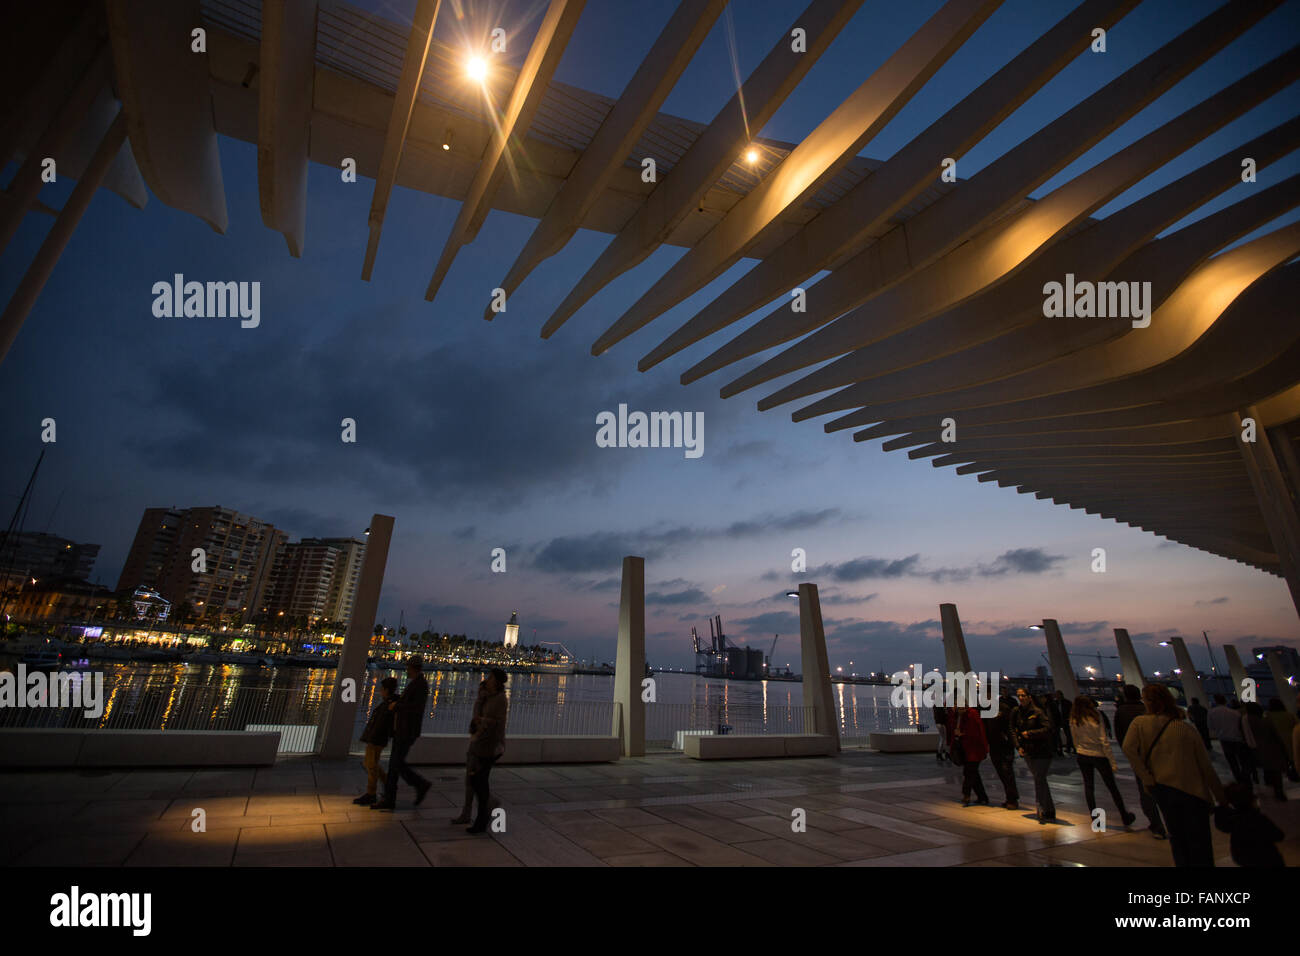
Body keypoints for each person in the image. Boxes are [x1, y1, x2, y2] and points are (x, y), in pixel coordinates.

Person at [1122, 683, 1226, 867]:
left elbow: (1128, 749)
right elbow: (1206, 767)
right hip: (1194, 793)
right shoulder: (1186, 729)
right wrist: (1221, 798)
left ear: (1148, 701)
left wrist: (1146, 777)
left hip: (1163, 789)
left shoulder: (1139, 724)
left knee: (1178, 839)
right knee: (1201, 843)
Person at [372, 656, 431, 811]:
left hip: (407, 730)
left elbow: (416, 707)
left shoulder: (420, 685)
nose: (406, 670)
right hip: (403, 729)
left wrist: (397, 706)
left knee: (396, 764)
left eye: (408, 667)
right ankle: (391, 798)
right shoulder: (416, 684)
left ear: (413, 668)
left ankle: (419, 785)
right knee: (395, 765)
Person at [1070, 696, 1136, 827]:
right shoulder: (1096, 716)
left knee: (1089, 787)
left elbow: (1074, 738)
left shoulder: (1074, 719)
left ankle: (1095, 819)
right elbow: (1103, 740)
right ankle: (1124, 816)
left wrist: (1079, 750)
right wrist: (1112, 761)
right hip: (1099, 755)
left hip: (1083, 755)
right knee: (1112, 787)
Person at [1116, 683, 1166, 838]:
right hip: (1160, 755)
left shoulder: (1121, 712)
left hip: (1138, 757)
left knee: (1145, 790)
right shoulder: (1149, 711)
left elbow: (1120, 737)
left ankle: (1156, 825)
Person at [466, 667, 509, 835]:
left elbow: (497, 723)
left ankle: (482, 819)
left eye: (490, 678)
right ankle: (484, 814)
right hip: (479, 742)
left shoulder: (500, 699)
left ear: (496, 682)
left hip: (491, 746)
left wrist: (483, 721)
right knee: (478, 782)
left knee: (479, 782)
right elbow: (476, 713)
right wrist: (480, 697)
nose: (487, 680)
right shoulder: (486, 697)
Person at [1011, 687, 1056, 823]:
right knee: (1040, 779)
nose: (1021, 697)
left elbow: (1048, 728)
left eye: (1023, 695)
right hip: (1027, 750)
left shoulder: (1038, 712)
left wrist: (1030, 733)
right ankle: (1049, 809)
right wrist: (1018, 746)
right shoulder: (1016, 712)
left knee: (1039, 778)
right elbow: (1012, 729)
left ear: (1029, 697)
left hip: (1042, 750)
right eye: (1019, 695)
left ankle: (1041, 808)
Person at [1213, 782, 1285, 867]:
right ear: (1252, 800)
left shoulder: (1233, 819)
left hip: (1242, 856)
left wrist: (1221, 807)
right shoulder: (1257, 818)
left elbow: (1221, 824)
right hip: (1265, 856)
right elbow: (1278, 835)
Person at [353, 676, 398, 806]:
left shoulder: (389, 704)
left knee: (371, 765)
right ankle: (382, 786)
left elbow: (381, 724)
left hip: (376, 739)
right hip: (377, 738)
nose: (380, 691)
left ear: (386, 689)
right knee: (371, 764)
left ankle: (373, 792)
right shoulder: (389, 703)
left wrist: (371, 737)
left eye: (382, 689)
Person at [451, 679, 489, 825]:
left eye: (481, 690)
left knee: (474, 781)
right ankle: (469, 812)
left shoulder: (487, 704)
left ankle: (485, 806)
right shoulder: (481, 703)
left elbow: (485, 724)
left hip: (480, 747)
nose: (479, 693)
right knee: (473, 781)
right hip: (476, 745)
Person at [1241, 702, 1288, 801]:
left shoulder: (1245, 720)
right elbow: (1276, 736)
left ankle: (1265, 791)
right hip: (1271, 749)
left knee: (1263, 771)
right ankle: (1279, 793)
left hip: (1256, 751)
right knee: (1276, 772)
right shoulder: (1266, 721)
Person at [982, 693, 1019, 810]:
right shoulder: (986, 709)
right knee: (1002, 772)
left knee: (1007, 772)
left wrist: (1012, 742)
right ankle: (1010, 797)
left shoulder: (1003, 708)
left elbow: (1011, 726)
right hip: (994, 746)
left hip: (1005, 746)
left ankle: (1012, 798)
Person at [947, 704, 990, 806]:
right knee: (973, 774)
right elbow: (950, 725)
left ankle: (967, 795)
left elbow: (976, 732)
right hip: (966, 750)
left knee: (969, 773)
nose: (959, 708)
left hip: (974, 749)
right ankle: (982, 797)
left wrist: (963, 734)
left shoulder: (972, 715)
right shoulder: (958, 716)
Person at [1208, 694, 1246, 784]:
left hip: (1224, 739)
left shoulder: (1212, 712)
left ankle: (1239, 779)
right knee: (1242, 761)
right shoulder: (1235, 713)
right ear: (1225, 701)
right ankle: (1246, 779)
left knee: (1232, 761)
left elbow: (1211, 727)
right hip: (1238, 739)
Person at [1264, 699, 1298, 780]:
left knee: (1285, 760)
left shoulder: (1268, 716)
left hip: (1278, 741)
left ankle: (1290, 774)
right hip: (1291, 739)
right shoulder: (1289, 714)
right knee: (1294, 757)